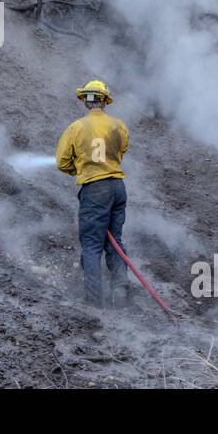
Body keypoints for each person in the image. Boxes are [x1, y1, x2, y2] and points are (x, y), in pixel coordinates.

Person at [56, 80, 131, 307]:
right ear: (105, 101)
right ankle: (120, 294)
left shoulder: (76, 128)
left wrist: (80, 170)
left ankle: (93, 304)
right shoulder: (119, 126)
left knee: (91, 245)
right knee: (115, 241)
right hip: (117, 188)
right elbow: (121, 151)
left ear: (86, 100)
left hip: (95, 190)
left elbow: (61, 162)